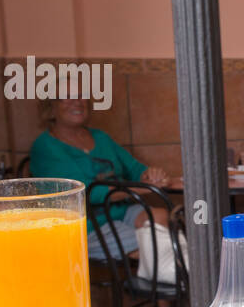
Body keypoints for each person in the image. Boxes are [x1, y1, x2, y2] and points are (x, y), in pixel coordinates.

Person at [30, 96, 169, 261]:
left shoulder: (101, 137)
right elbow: (85, 193)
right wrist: (143, 188)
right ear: (50, 107)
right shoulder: (45, 147)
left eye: (81, 96)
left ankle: (168, 275)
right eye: (65, 98)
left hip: (120, 210)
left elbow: (134, 168)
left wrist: (151, 175)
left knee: (161, 218)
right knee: (152, 245)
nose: (77, 101)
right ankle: (162, 280)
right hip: (86, 224)